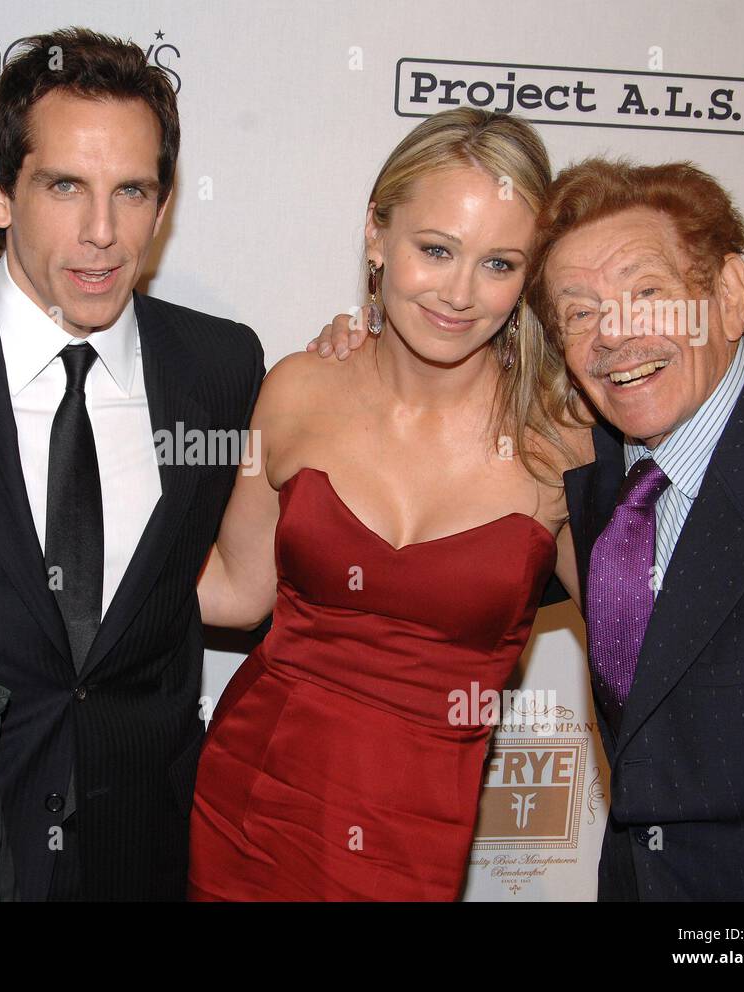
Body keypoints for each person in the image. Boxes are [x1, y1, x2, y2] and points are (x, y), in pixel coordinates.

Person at [314, 157, 744, 900]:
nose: (616, 336)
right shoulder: (588, 462)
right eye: (579, 311)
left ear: (728, 295)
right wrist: (359, 353)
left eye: (647, 293)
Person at [0, 27, 265, 901]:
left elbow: (225, 579)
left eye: (131, 191)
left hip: (147, 851)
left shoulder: (221, 367)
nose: (102, 233)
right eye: (64, 186)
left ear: (164, 204)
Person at [186, 108, 591, 901]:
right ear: (377, 235)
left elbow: (635, 647)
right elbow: (235, 589)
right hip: (252, 792)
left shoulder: (561, 437)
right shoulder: (300, 388)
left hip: (416, 835)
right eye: (435, 250)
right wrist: (62, 566)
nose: (460, 294)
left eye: (500, 264)